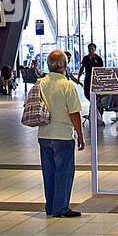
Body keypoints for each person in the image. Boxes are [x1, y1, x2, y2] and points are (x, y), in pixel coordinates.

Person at [35, 50, 85, 218]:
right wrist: (80, 135)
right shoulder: (68, 86)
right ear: (65, 65)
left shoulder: (41, 83)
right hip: (62, 135)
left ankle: (50, 206)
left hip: (44, 134)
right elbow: (74, 113)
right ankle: (61, 208)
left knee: (48, 172)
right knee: (63, 172)